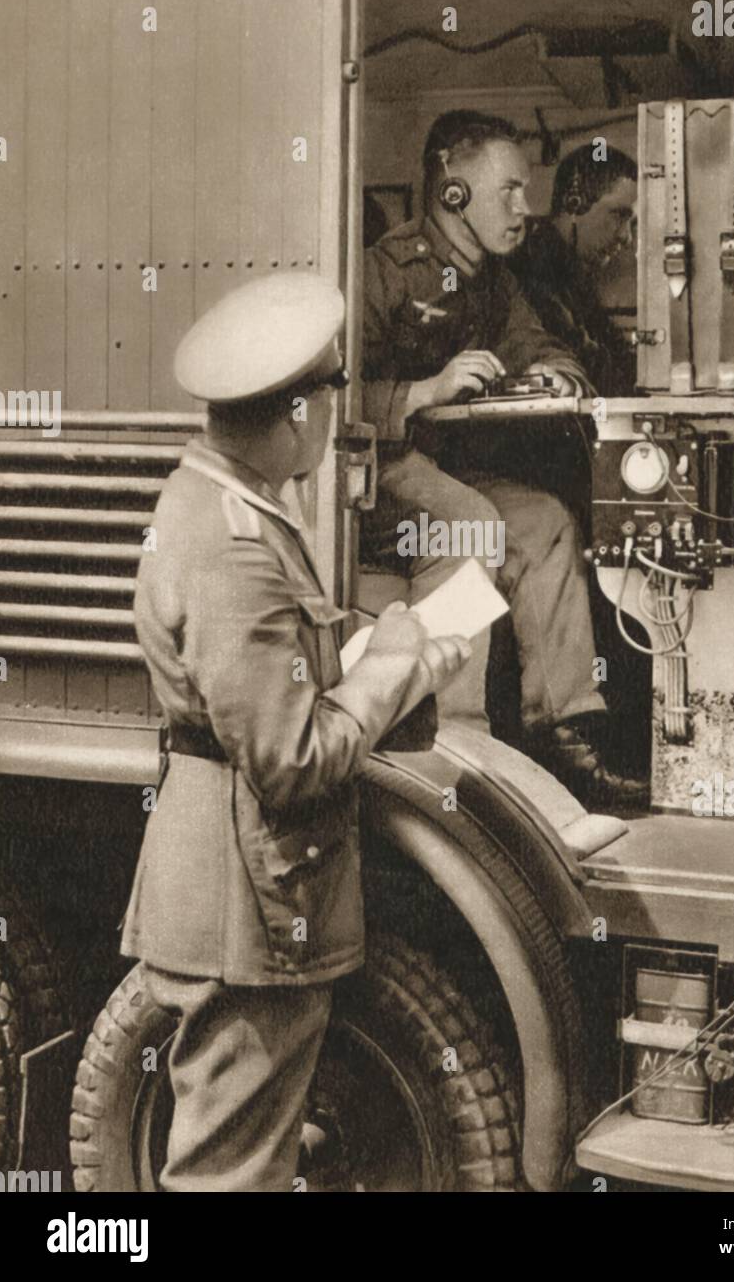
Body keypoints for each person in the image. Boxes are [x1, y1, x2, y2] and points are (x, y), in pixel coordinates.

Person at [122, 273, 471, 1192]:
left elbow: (274, 680)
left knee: (245, 1162)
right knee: (229, 1174)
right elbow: (290, 759)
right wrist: (392, 665)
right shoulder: (233, 540)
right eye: (329, 396)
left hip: (245, 886)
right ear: (301, 413)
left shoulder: (226, 504)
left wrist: (369, 654)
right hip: (248, 907)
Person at [361, 109, 644, 807]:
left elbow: (536, 342)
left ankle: (562, 733)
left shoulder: (493, 281)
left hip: (439, 474)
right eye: (509, 191)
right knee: (474, 526)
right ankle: (450, 745)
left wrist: (555, 372)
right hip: (375, 477)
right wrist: (421, 390)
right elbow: (325, 402)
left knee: (544, 522)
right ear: (453, 193)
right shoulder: (384, 272)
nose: (524, 208)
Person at [508, 142, 638, 398]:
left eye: (631, 223)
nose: (626, 238)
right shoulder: (533, 268)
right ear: (574, 203)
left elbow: (611, 349)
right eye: (618, 216)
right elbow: (588, 359)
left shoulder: (573, 271)